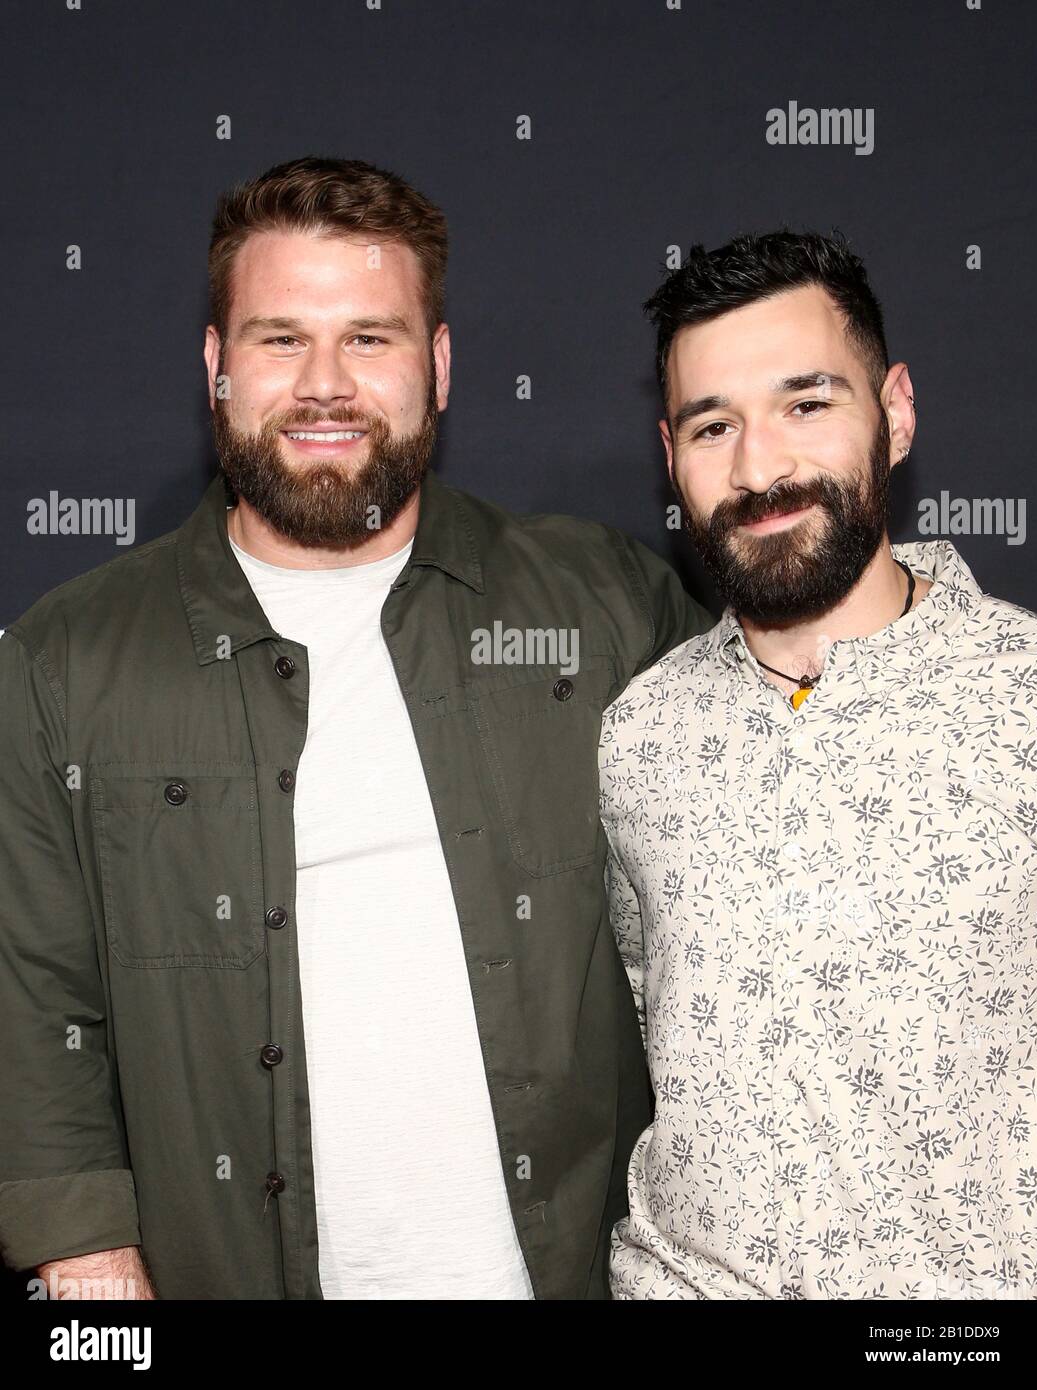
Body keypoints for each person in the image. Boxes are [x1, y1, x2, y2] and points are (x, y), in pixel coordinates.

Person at [0, 156, 711, 1300]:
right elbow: (36, 1005)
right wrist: (95, 1287)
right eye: (282, 339)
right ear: (217, 367)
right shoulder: (65, 663)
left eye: (370, 340)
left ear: (437, 366)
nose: (325, 384)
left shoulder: (605, 607)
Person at [599, 229, 1037, 1300]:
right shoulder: (638, 737)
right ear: (671, 456)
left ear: (894, 412)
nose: (761, 470)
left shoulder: (1033, 701)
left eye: (807, 404)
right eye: (717, 425)